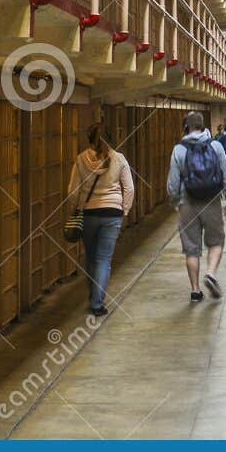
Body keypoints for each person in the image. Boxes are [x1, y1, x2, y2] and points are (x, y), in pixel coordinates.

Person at [166, 111, 226, 302]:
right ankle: (211, 274)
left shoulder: (179, 149)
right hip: (212, 201)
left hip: (187, 203)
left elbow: (173, 182)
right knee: (216, 241)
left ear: (186, 128)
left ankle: (195, 290)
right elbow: (225, 174)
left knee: (191, 248)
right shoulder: (216, 145)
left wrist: (175, 201)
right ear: (203, 127)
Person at [68, 124, 135, 317]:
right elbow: (129, 188)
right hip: (112, 213)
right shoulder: (119, 158)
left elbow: (72, 191)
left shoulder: (81, 159)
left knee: (91, 257)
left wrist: (79, 205)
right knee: (104, 260)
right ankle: (98, 303)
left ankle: (93, 295)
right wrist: (125, 210)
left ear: (89, 138)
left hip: (89, 213)